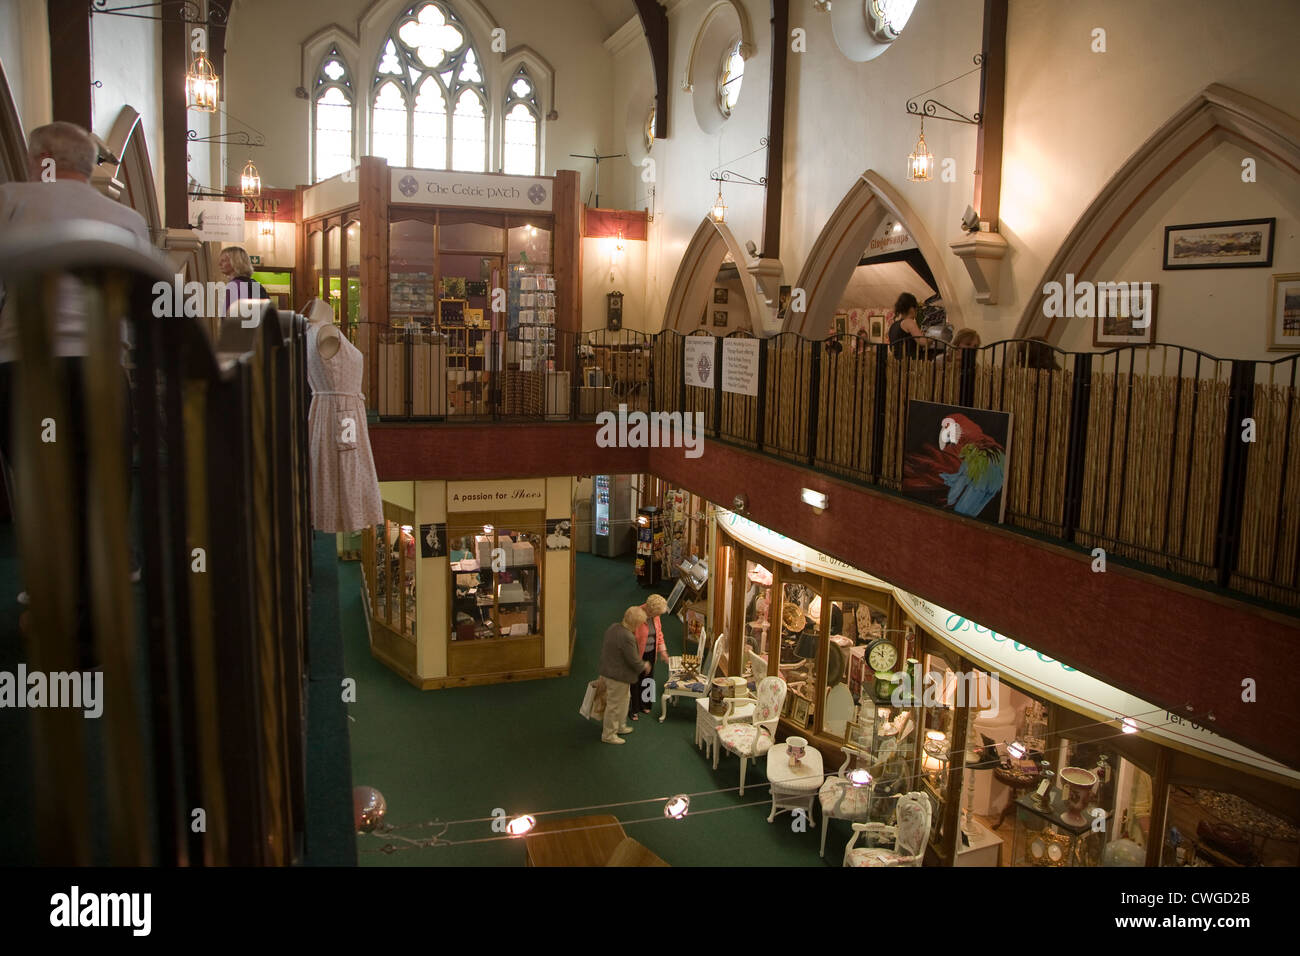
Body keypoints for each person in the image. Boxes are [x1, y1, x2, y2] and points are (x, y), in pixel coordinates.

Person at [0, 121, 151, 655]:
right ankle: (94, 620)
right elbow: (147, 308)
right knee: (102, 491)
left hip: (24, 370)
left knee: (42, 493)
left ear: (39, 156)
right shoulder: (126, 219)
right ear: (89, 169)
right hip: (100, 372)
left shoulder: (9, 202)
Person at [599, 605, 649, 744]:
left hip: (610, 670)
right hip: (617, 675)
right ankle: (609, 734)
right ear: (635, 623)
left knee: (624, 700)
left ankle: (620, 726)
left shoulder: (614, 627)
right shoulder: (627, 636)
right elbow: (633, 660)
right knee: (614, 705)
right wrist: (644, 666)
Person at [628, 593, 671, 720]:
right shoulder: (635, 614)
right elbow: (628, 638)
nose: (658, 616)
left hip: (651, 652)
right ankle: (634, 709)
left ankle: (646, 704)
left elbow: (659, 634)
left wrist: (663, 651)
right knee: (635, 681)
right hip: (637, 653)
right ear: (649, 610)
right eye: (656, 614)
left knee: (648, 679)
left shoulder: (655, 616)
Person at [219, 246, 268, 314]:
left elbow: (229, 317)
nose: (220, 264)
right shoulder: (256, 284)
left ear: (236, 262)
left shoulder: (234, 286)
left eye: (223, 261)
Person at [887, 292, 922, 358]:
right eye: (916, 308)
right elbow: (923, 342)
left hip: (898, 364)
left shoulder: (893, 325)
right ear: (911, 308)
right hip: (909, 364)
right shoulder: (909, 322)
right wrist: (932, 337)